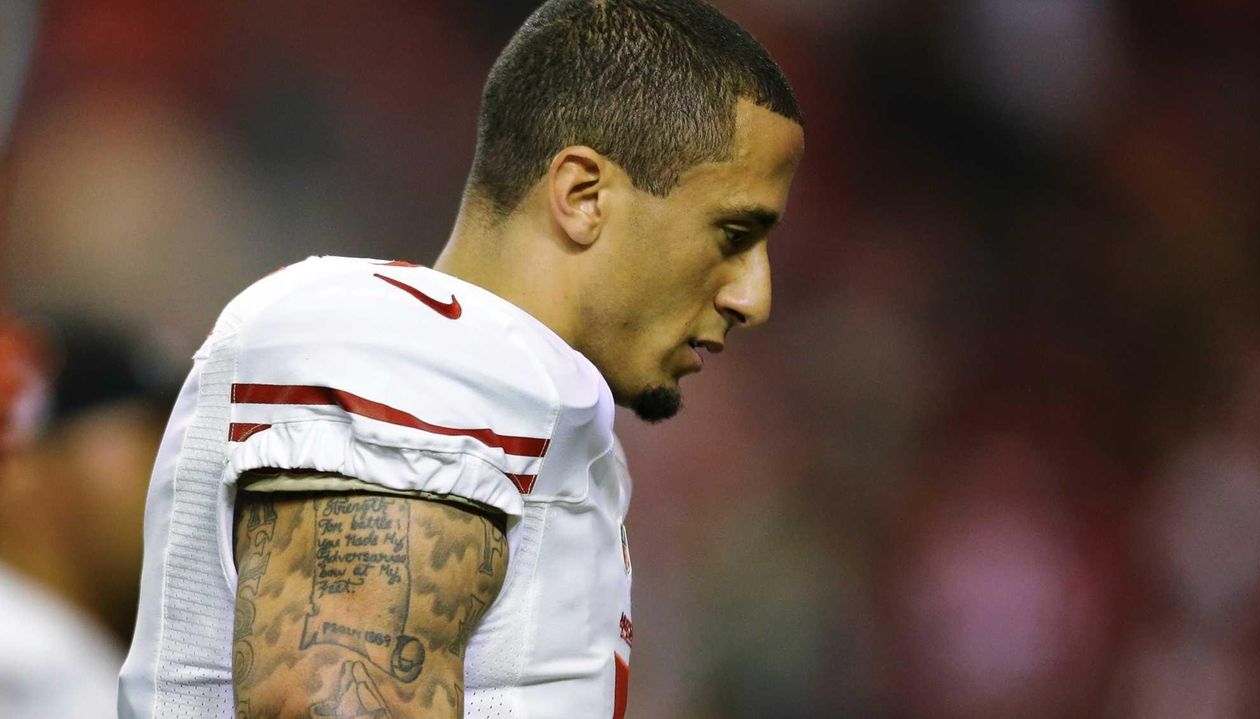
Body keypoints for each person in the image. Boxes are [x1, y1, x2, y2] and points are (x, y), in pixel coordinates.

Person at [117, 0, 804, 717]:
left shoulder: (529, 403)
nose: (753, 297)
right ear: (583, 195)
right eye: (733, 234)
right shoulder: (415, 357)